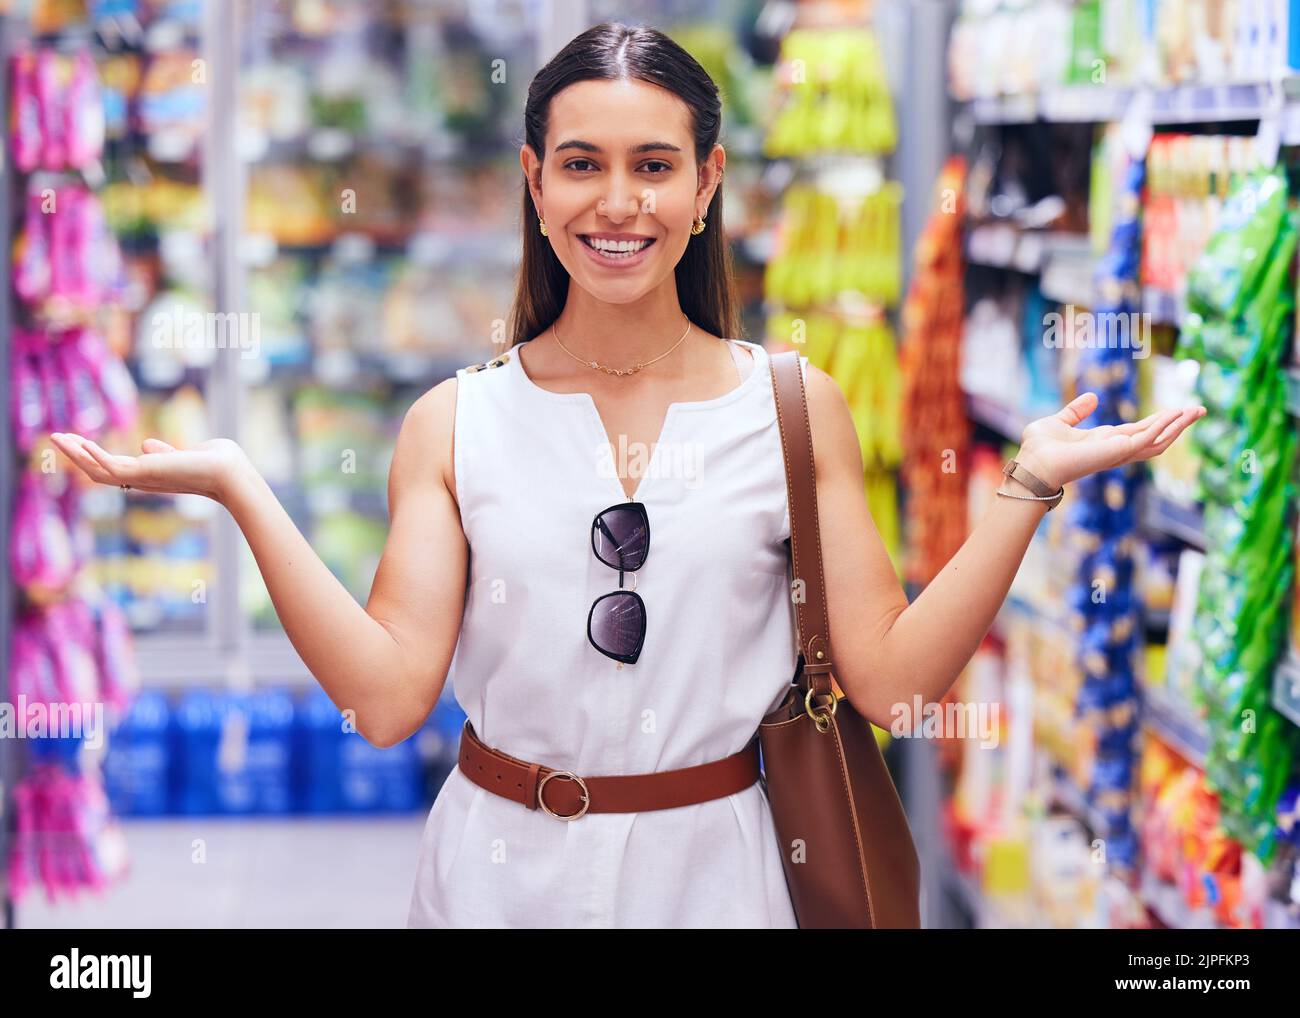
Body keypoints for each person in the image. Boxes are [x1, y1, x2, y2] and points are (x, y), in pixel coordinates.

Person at [49, 22, 1204, 929]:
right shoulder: (454, 423)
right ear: (533, 183)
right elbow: (389, 700)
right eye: (581, 165)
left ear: (706, 185)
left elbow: (893, 686)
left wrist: (1025, 491)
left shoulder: (791, 408)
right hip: (494, 881)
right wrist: (245, 488)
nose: (617, 202)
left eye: (653, 166)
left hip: (721, 877)